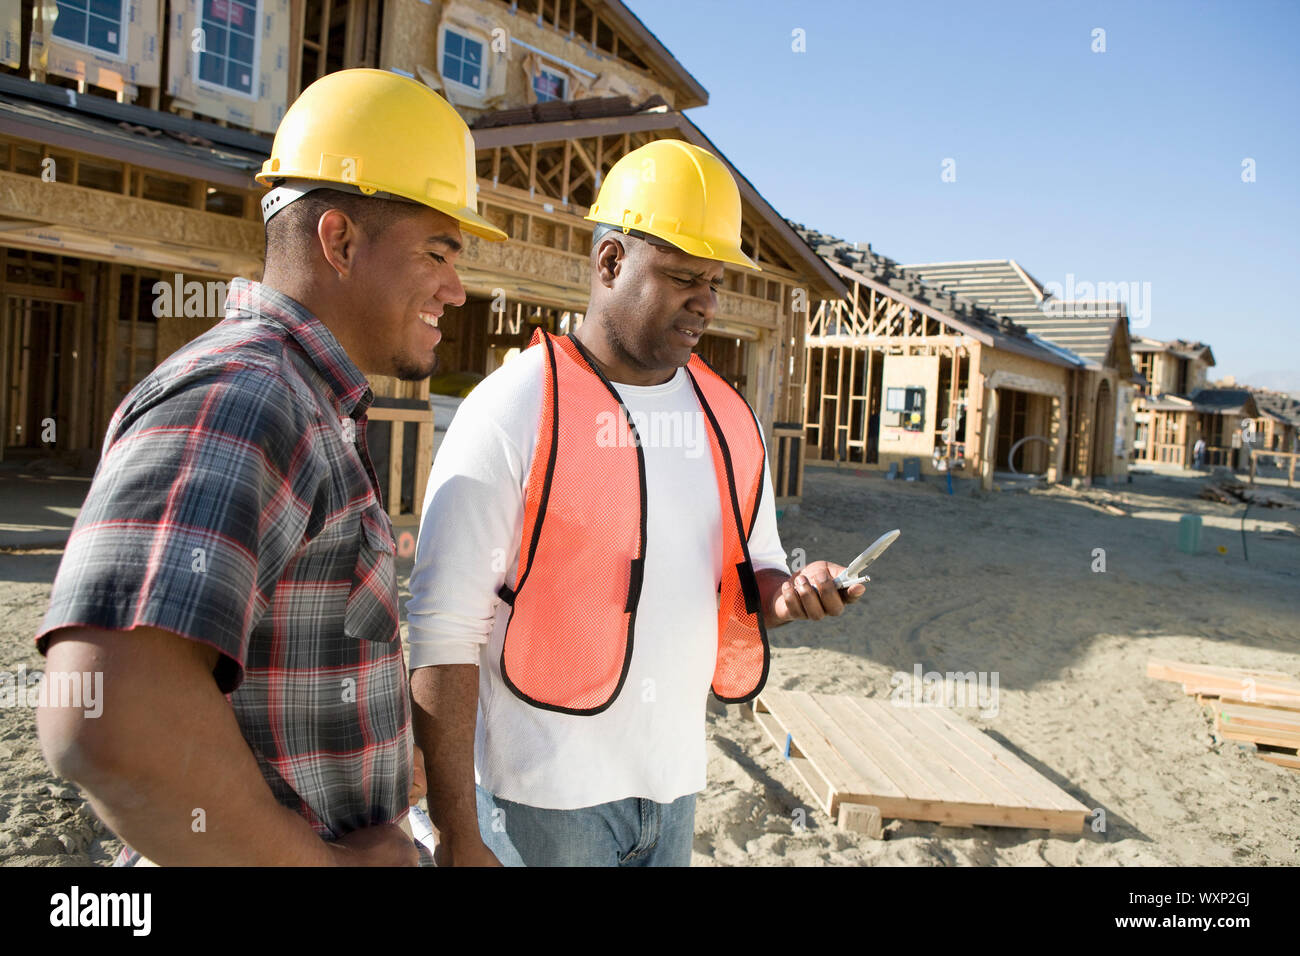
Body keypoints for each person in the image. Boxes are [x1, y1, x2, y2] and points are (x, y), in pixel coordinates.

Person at [34, 68, 506, 865]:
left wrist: (380, 759)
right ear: (340, 240)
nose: (457, 289)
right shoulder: (246, 399)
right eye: (438, 251)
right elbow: (106, 715)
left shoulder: (305, 403)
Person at [407, 140, 865, 867]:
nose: (707, 302)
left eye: (714, 281)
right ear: (611, 263)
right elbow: (440, 630)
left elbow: (756, 569)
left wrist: (793, 593)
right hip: (537, 800)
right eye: (684, 277)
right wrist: (458, 830)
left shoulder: (729, 420)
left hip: (676, 787)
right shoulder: (516, 405)